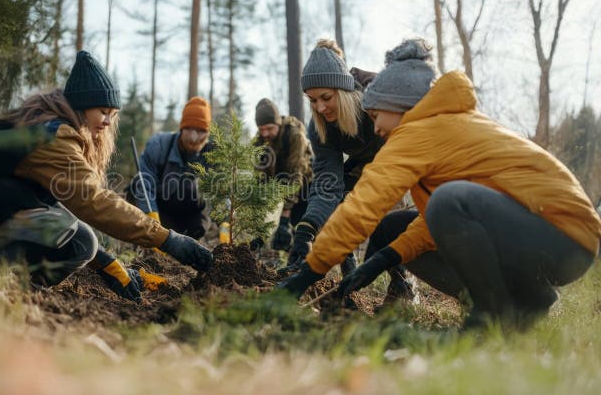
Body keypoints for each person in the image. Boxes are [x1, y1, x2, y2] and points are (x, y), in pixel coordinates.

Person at [277, 39, 601, 329]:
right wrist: (384, 258)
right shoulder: (435, 125)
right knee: (410, 221)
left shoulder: (418, 132)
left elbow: (366, 203)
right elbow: (444, 217)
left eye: (375, 116)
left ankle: (491, 317)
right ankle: (522, 302)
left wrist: (308, 274)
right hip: (548, 235)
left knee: (447, 201)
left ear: (396, 106)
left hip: (564, 235)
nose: (375, 128)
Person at [0, 51, 212, 302]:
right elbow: (93, 201)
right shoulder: (56, 138)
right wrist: (168, 240)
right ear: (82, 107)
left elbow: (52, 205)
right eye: (102, 111)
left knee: (79, 238)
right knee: (80, 241)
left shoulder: (50, 126)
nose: (108, 122)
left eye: (113, 113)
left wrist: (108, 263)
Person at [284, 38, 414, 303]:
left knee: (387, 215)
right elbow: (328, 183)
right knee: (337, 204)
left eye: (326, 97)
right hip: (364, 164)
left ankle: (403, 285)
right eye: (312, 100)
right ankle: (349, 277)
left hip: (399, 159)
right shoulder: (319, 126)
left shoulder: (376, 98)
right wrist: (306, 229)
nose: (320, 107)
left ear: (342, 90)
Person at [132, 97, 214, 240]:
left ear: (208, 133)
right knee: (134, 186)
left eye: (201, 131)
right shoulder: (159, 145)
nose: (194, 137)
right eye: (189, 130)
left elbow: (224, 193)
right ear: (181, 128)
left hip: (191, 215)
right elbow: (145, 183)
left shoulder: (214, 154)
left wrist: (227, 224)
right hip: (161, 210)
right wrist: (151, 215)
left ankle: (189, 240)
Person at [252, 98, 313, 251]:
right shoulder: (259, 142)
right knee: (282, 234)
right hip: (281, 185)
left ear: (278, 123)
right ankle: (288, 257)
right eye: (261, 129)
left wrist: (285, 218)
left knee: (301, 226)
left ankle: (308, 260)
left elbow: (296, 173)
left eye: (269, 128)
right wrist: (259, 227)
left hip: (307, 184)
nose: (265, 133)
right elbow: (260, 178)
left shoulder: (294, 135)